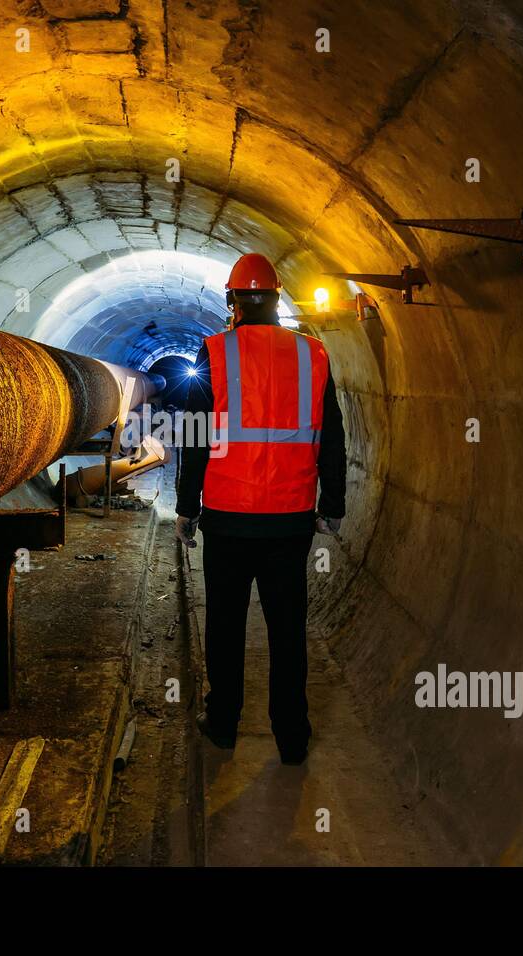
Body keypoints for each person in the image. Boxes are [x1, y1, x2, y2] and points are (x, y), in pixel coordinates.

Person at [175, 252, 346, 765]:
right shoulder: (313, 354)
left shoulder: (215, 352)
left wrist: (187, 506)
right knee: (288, 628)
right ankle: (292, 735)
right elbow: (332, 437)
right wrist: (332, 504)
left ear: (233, 302)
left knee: (224, 625)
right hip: (290, 520)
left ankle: (223, 724)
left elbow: (195, 438)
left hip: (227, 517)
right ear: (276, 298)